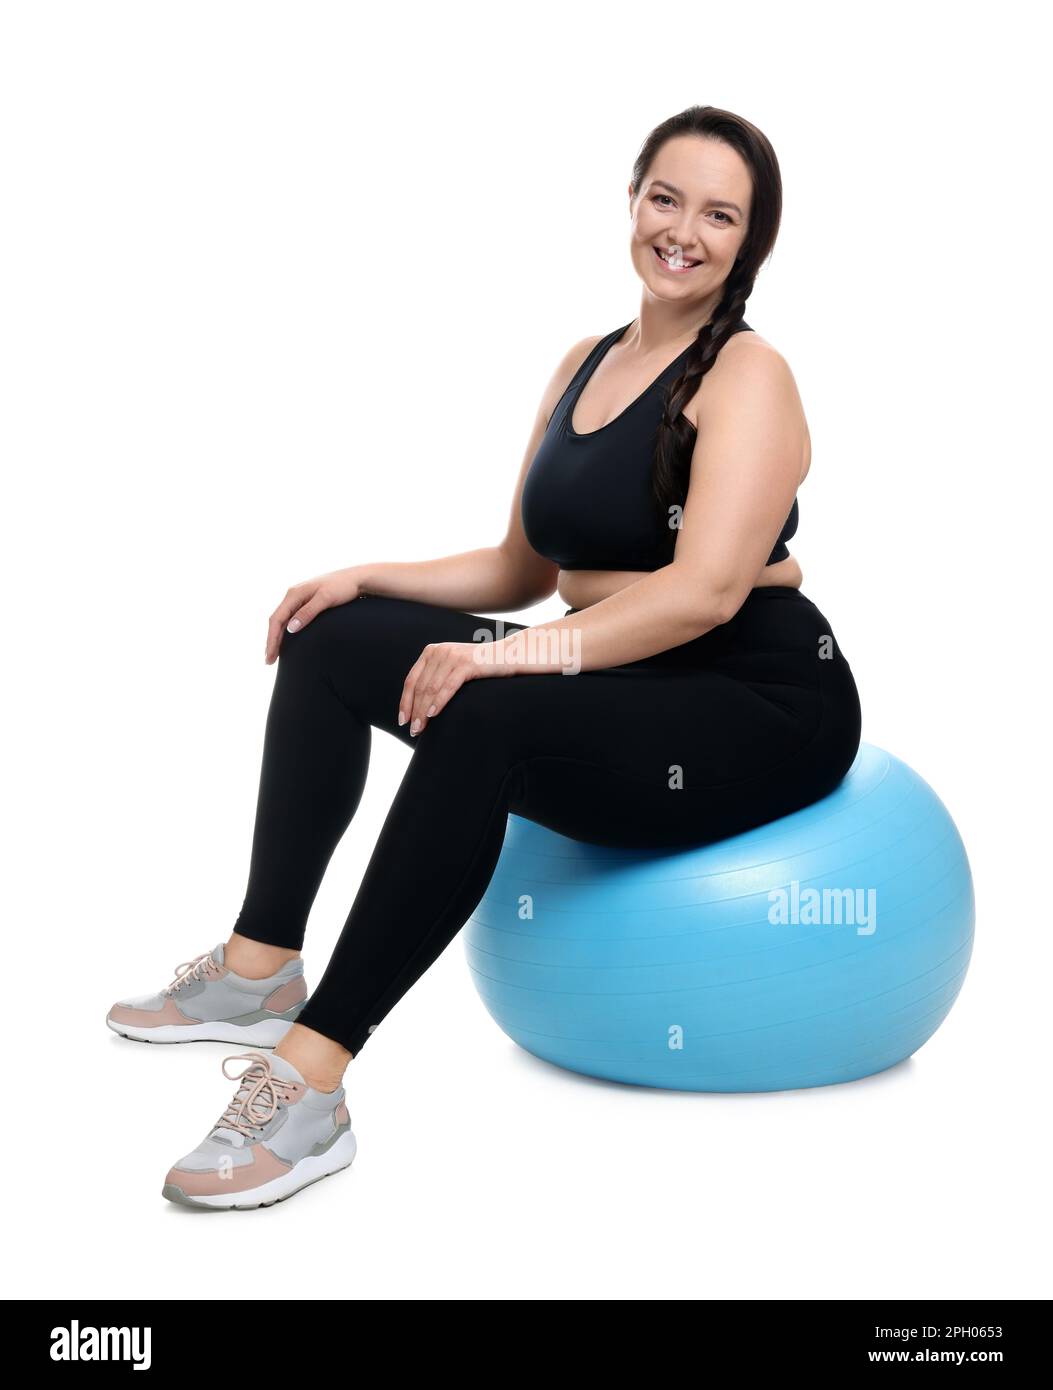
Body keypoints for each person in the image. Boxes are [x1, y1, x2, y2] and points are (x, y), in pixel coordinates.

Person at [107, 104, 862, 1210]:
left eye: (720, 215)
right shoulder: (586, 362)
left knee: (486, 708)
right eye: (666, 197)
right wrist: (367, 577)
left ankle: (310, 1083)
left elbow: (700, 597)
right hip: (628, 663)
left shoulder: (750, 375)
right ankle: (259, 966)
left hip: (754, 692)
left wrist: (513, 662)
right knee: (327, 637)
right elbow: (522, 567)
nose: (683, 231)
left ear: (751, 243)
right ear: (633, 199)